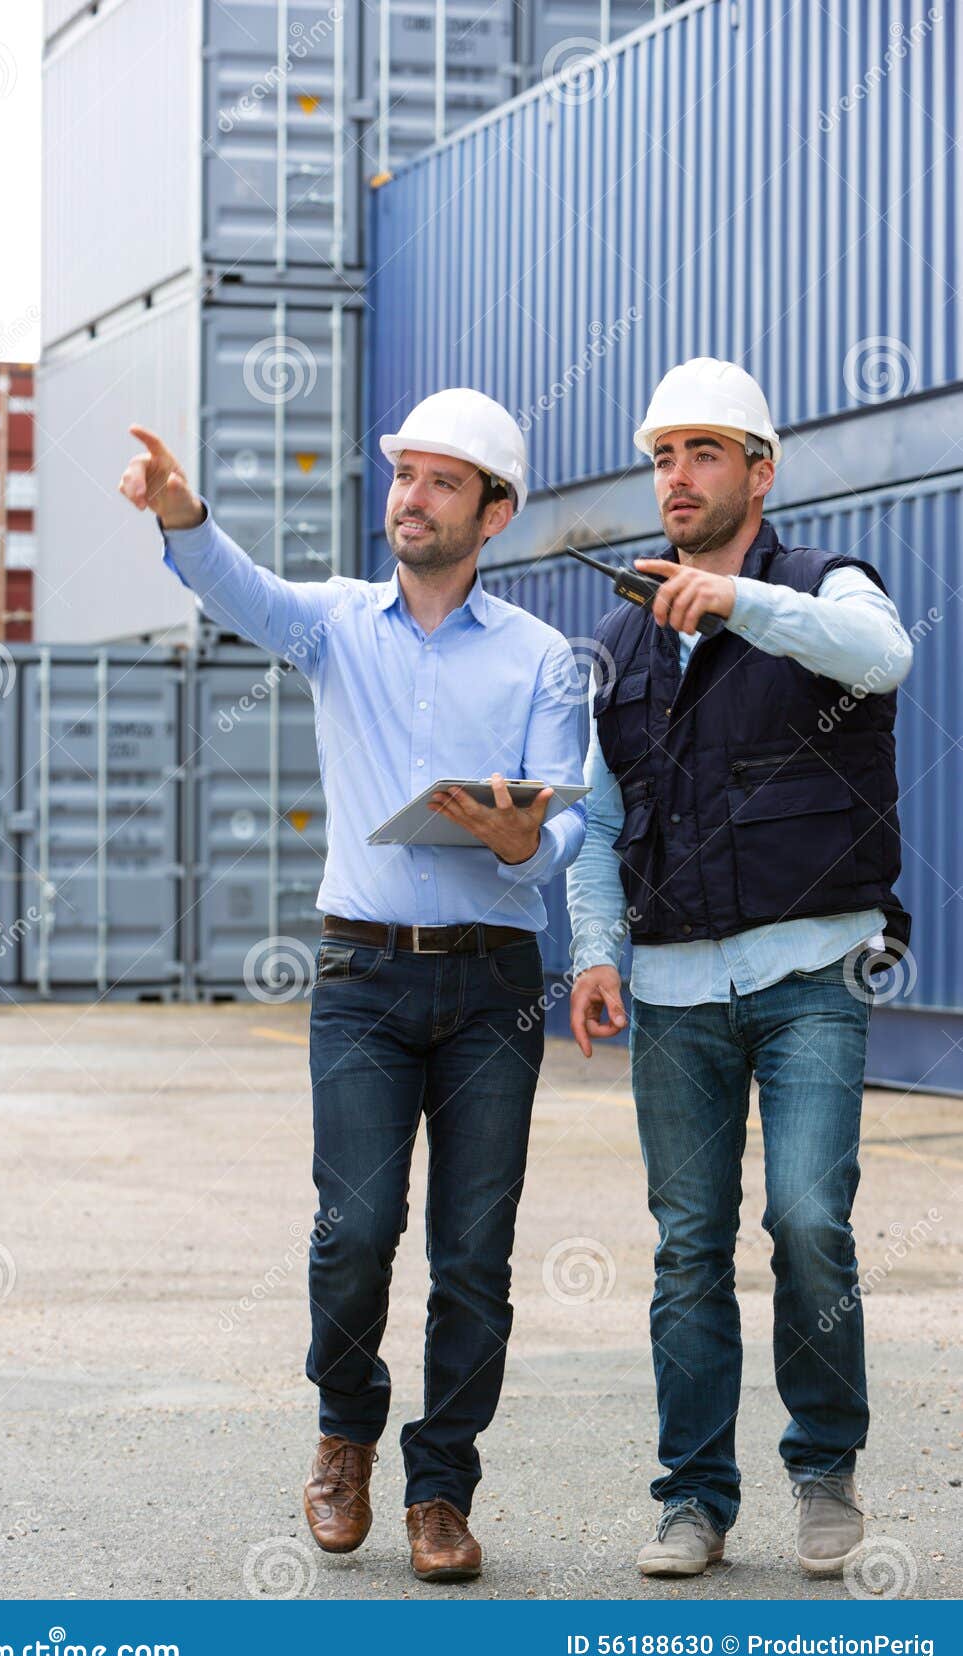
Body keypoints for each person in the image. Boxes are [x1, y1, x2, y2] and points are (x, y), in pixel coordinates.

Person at [118, 388, 586, 1581]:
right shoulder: (334, 625)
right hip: (363, 978)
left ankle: (441, 1490)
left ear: (494, 511)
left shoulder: (540, 656)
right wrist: (185, 517)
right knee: (354, 1232)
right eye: (401, 477)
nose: (408, 499)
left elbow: (566, 817)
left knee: (473, 1254)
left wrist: (521, 838)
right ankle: (344, 1433)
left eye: (438, 481)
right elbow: (242, 594)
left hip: (494, 987)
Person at [566, 357, 913, 1580]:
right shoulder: (613, 639)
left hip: (811, 974)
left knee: (809, 1219)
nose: (676, 476)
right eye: (662, 455)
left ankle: (823, 1468)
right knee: (684, 1247)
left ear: (759, 471)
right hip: (669, 997)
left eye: (703, 452)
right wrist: (596, 952)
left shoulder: (823, 586)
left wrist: (733, 605)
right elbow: (597, 824)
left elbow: (881, 660)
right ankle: (692, 1499)